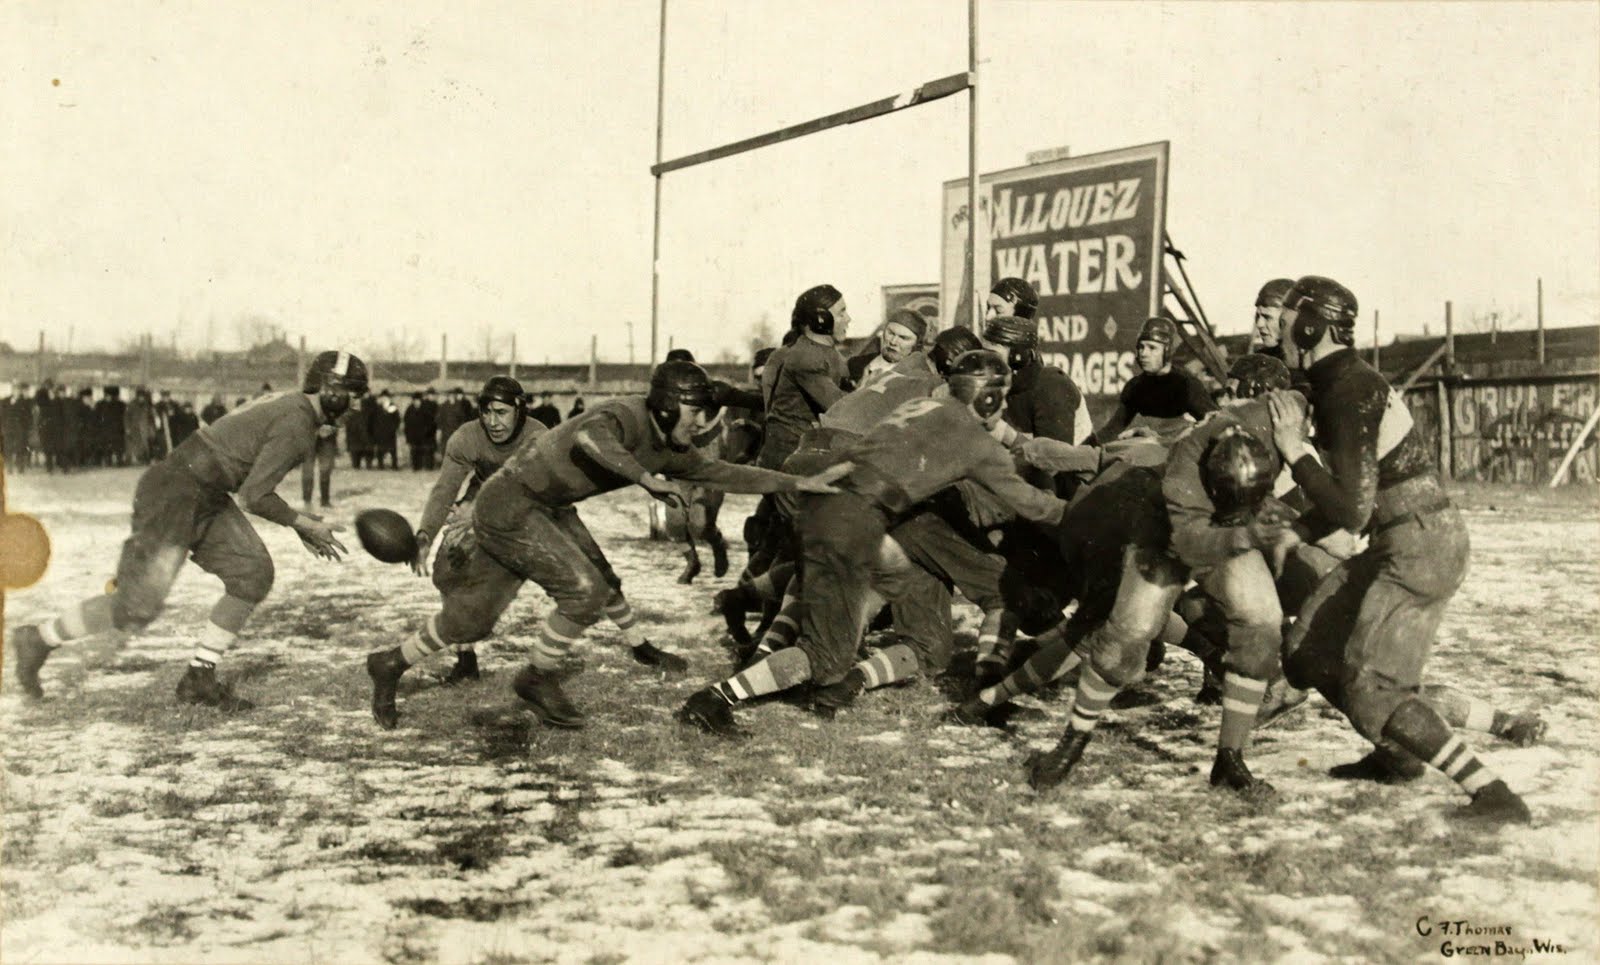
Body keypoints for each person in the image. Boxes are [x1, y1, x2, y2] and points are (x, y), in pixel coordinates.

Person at [364, 360, 850, 730]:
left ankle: (389, 662)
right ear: (668, 405)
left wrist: (797, 483)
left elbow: (724, 473)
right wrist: (644, 478)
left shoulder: (669, 444)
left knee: (472, 620)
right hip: (512, 503)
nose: (701, 422)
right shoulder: (626, 414)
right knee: (585, 589)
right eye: (694, 411)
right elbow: (591, 438)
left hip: (534, 507)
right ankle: (536, 677)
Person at [678, 349, 1070, 737]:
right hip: (853, 520)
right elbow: (1034, 505)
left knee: (924, 633)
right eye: (1002, 397)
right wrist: (1084, 511)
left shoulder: (921, 405)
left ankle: (835, 677)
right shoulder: (973, 440)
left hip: (847, 507)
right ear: (986, 397)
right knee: (823, 656)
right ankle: (712, 700)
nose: (1005, 407)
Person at [1267, 275, 1532, 823]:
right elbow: (1358, 500)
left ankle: (1493, 794)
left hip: (1419, 545)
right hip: (1400, 538)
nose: (1278, 332)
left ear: (1312, 326)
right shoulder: (1339, 380)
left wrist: (1296, 453)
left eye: (1286, 321)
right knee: (1308, 651)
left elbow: (1352, 510)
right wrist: (1297, 532)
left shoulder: (1347, 389)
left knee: (1375, 687)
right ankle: (1397, 755)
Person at [8, 352, 364, 711]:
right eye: (353, 394)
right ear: (332, 390)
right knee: (136, 606)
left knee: (252, 572)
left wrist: (300, 523)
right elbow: (254, 496)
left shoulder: (294, 407)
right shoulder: (298, 423)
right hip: (176, 492)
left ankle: (199, 677)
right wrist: (304, 523)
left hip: (203, 490)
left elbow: (249, 483)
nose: (357, 405)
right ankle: (39, 638)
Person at [366, 376, 544, 707]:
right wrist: (425, 536)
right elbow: (445, 489)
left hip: (530, 508)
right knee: (448, 570)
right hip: (481, 498)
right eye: (486, 412)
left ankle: (633, 643)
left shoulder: (538, 438)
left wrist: (478, 515)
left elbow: (532, 492)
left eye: (501, 412)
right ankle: (466, 658)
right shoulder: (467, 436)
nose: (493, 422)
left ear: (520, 411)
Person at [1093, 316, 1218, 442]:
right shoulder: (1135, 387)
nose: (1144, 353)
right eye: (1141, 347)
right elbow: (1113, 429)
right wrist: (1088, 447)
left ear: (1168, 351)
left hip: (1176, 450)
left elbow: (1216, 425)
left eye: (1152, 348)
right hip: (1144, 449)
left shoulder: (1185, 385)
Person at [847, 309, 927, 386]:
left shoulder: (920, 378)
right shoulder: (855, 364)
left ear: (917, 344)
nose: (893, 342)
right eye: (891, 333)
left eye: (903, 338)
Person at [1249, 278, 1296, 360]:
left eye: (1267, 317)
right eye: (1258, 316)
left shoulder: (1312, 362)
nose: (1259, 324)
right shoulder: (1259, 361)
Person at [368, 390, 401, 469]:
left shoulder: (393, 407)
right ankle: (380, 464)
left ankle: (394, 465)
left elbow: (397, 419)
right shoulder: (377, 408)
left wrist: (393, 428)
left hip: (390, 432)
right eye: (383, 398)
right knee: (380, 449)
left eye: (386, 398)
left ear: (389, 398)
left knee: (392, 449)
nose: (384, 399)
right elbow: (373, 419)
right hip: (380, 432)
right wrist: (375, 430)